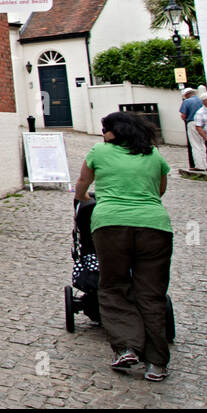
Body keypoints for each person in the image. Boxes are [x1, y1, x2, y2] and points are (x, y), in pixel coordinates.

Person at [74, 111, 172, 382]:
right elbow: (159, 190)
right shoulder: (153, 155)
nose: (102, 134)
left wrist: (86, 198)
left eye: (105, 129)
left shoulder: (99, 152)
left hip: (111, 225)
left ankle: (127, 346)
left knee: (114, 286)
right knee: (151, 293)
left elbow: (81, 186)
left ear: (114, 131)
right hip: (154, 227)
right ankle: (157, 364)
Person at [178, 88, 204, 170]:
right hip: (203, 123)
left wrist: (184, 118)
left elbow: (183, 115)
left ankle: (200, 165)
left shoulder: (187, 102)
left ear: (186, 95)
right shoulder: (201, 100)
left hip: (192, 122)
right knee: (203, 144)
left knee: (195, 144)